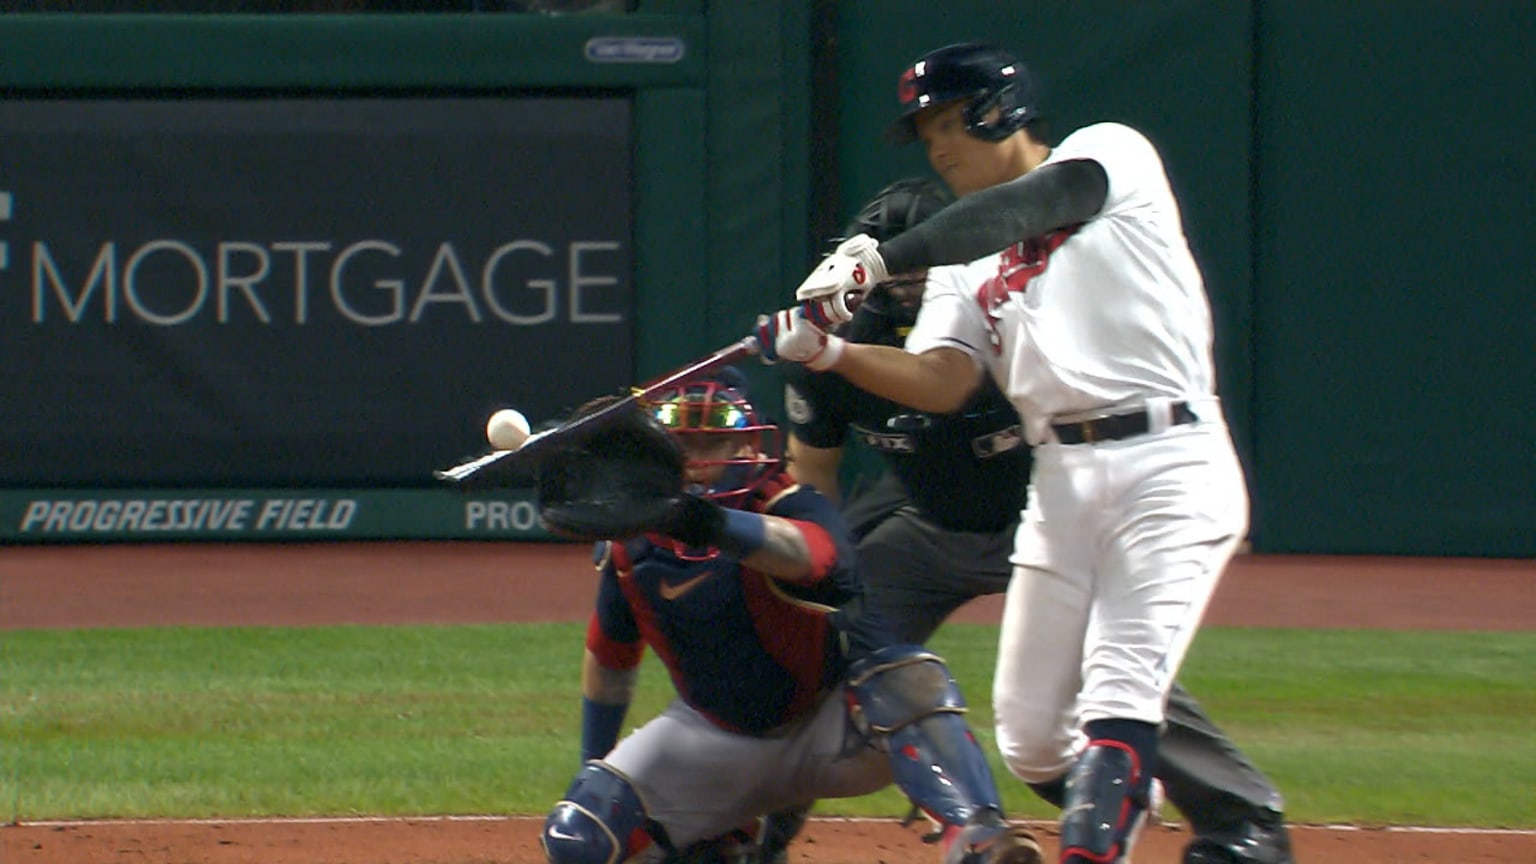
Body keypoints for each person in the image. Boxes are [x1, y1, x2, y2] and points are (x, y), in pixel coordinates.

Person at [756, 42, 1275, 864]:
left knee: (1117, 693)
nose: (937, 145)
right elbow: (940, 379)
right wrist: (830, 355)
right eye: (925, 131)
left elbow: (1028, 207)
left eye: (949, 121)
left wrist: (882, 255)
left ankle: (1232, 834)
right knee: (1034, 739)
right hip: (1062, 486)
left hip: (1166, 460)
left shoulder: (1108, 153)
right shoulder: (965, 265)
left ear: (1001, 110)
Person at [538, 368, 1044, 864]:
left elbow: (824, 561)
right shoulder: (632, 549)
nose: (696, 464)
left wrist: (702, 522)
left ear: (744, 450)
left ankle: (976, 834)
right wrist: (594, 766)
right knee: (578, 835)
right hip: (711, 740)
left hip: (830, 730)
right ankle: (722, 841)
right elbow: (609, 664)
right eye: (683, 447)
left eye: (711, 446)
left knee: (910, 678)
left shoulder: (788, 502)